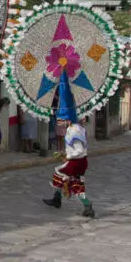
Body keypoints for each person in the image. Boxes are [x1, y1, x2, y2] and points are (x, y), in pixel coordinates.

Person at [42, 73, 95, 218]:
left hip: (77, 161)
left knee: (58, 173)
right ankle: (86, 205)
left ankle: (57, 198)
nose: (60, 122)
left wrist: (67, 156)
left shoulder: (74, 130)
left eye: (61, 119)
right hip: (80, 162)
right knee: (76, 185)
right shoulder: (74, 128)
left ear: (67, 119)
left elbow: (78, 150)